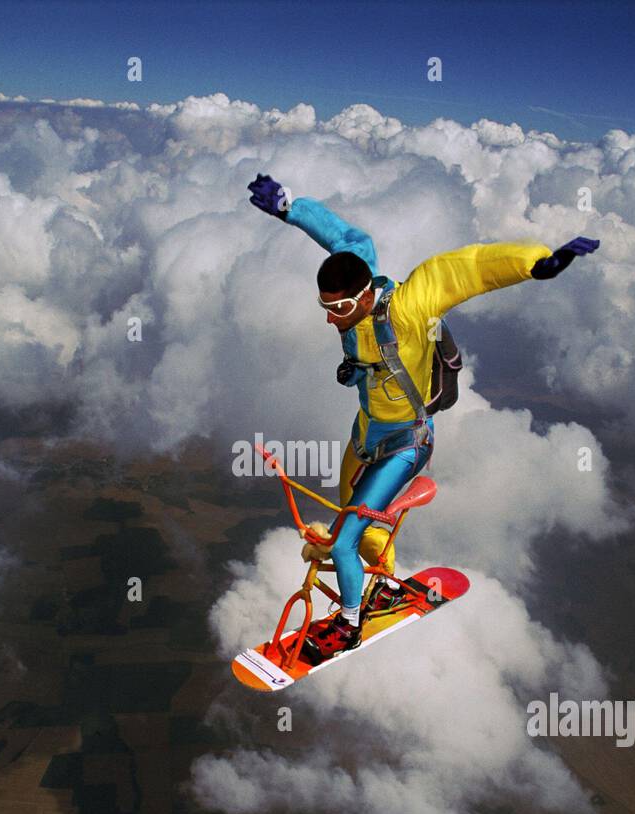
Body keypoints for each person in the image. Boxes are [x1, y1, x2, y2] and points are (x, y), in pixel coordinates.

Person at [248, 173, 598, 663]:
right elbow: (344, 238)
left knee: (345, 542)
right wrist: (289, 208)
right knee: (357, 523)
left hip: (407, 443)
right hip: (366, 435)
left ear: (366, 296)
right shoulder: (357, 275)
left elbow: (469, 267)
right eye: (325, 307)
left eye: (341, 308)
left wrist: (536, 263)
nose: (333, 318)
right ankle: (384, 581)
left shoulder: (412, 306)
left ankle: (348, 626)